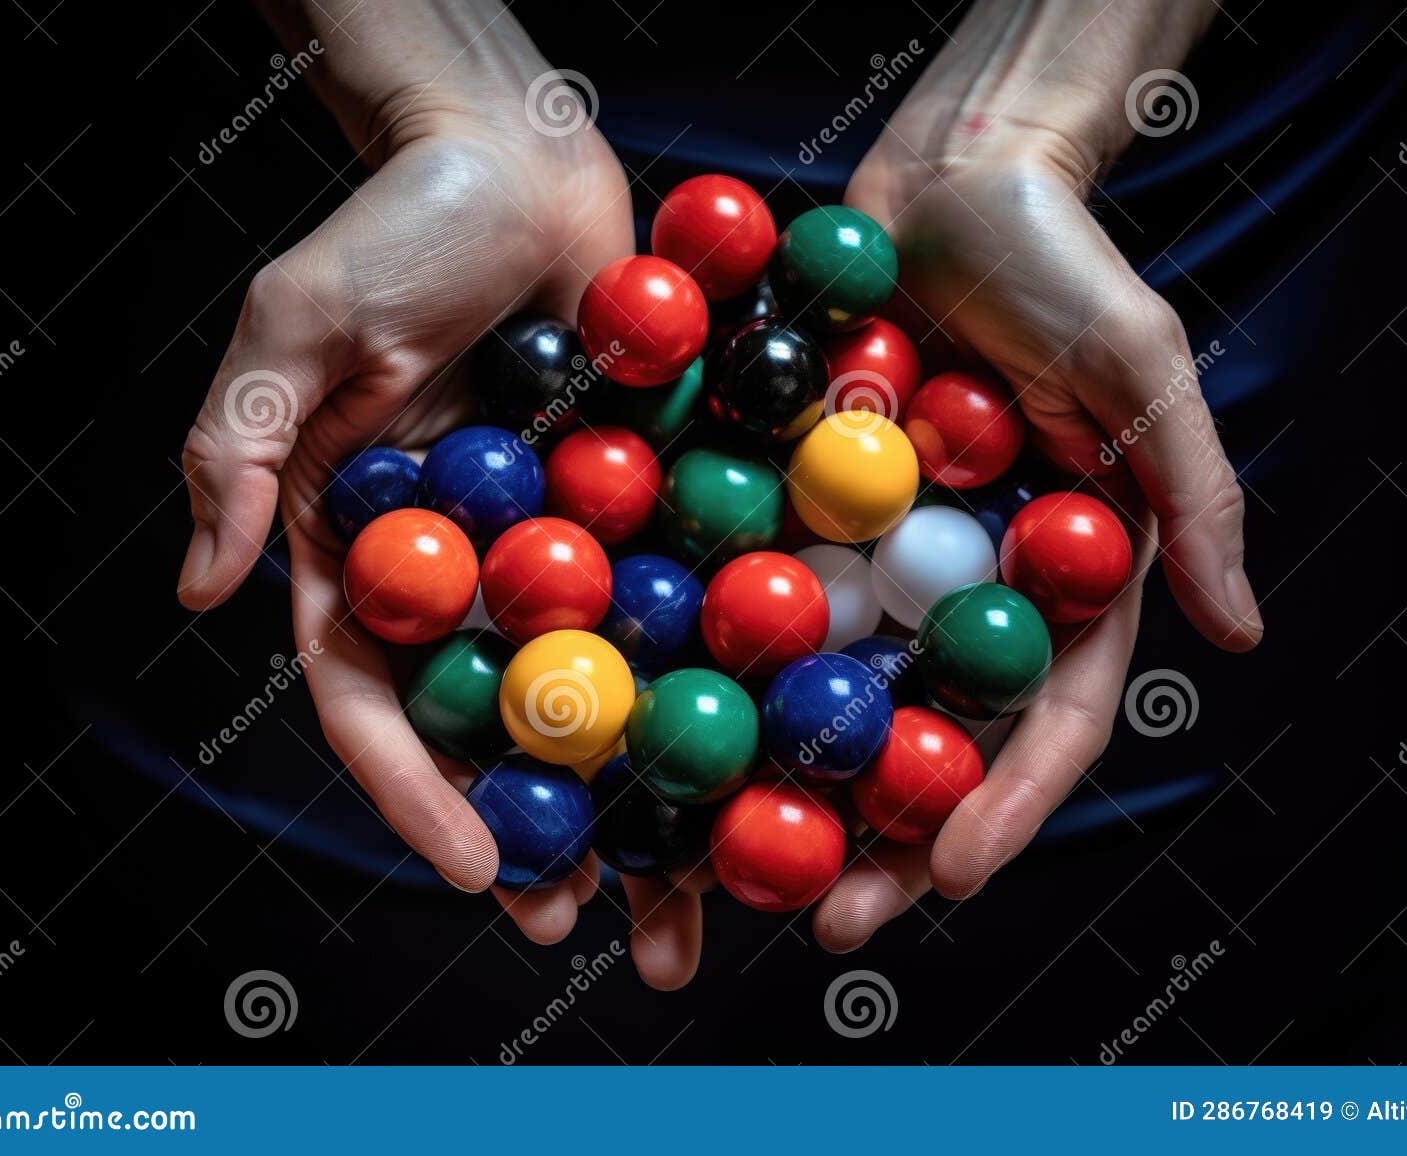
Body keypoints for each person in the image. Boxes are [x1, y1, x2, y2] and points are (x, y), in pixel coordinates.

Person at [175, 0, 1266, 991]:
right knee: (310, 897)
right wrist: (440, 93)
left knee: (1115, 871)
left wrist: (1025, 123)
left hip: (1147, 230)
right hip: (399, 282)